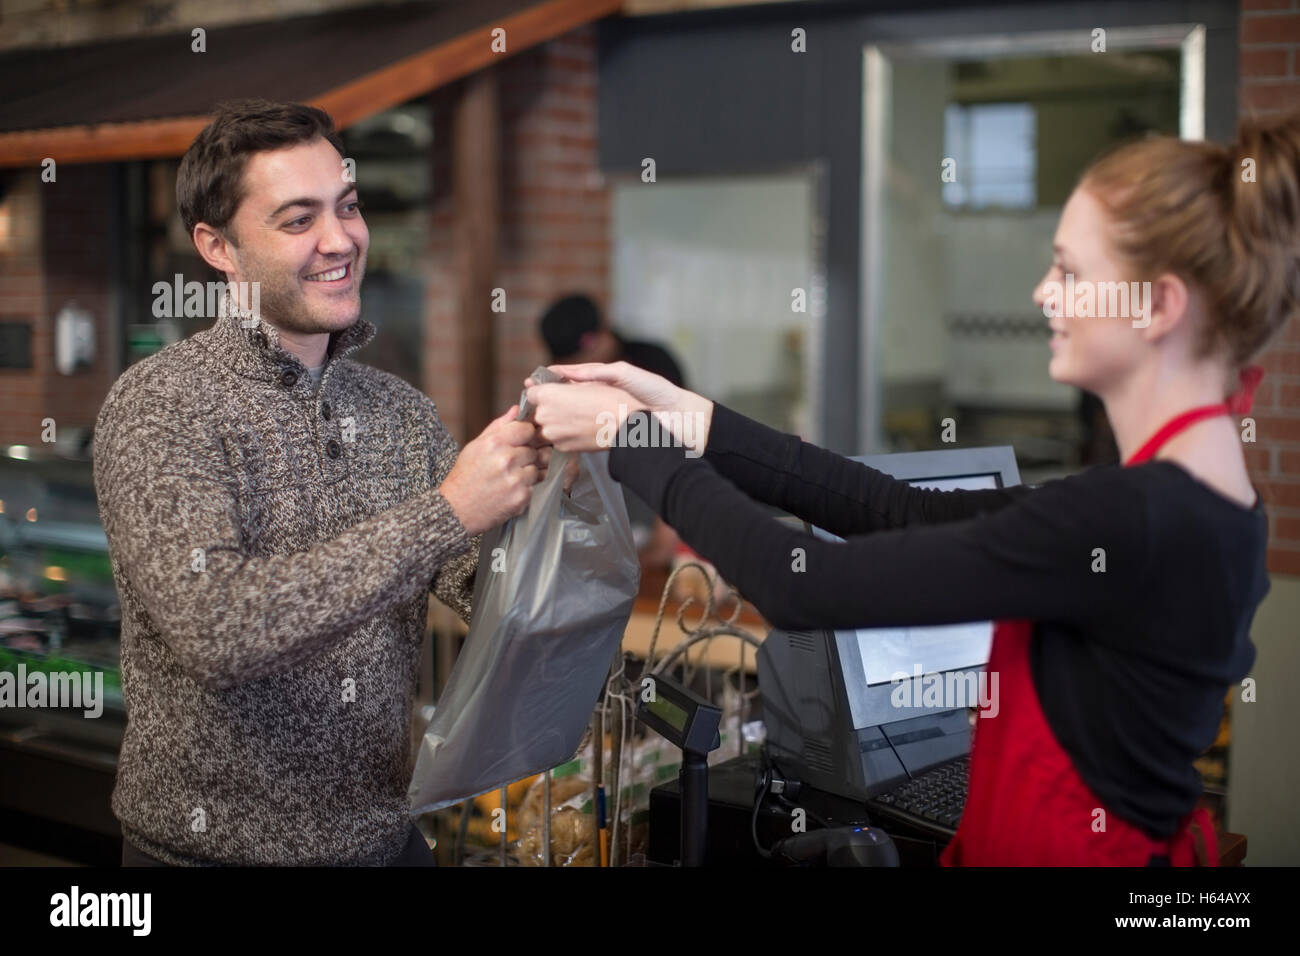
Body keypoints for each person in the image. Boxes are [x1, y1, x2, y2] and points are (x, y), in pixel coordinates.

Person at [524, 112, 1298, 865]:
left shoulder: (1132, 518)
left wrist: (633, 440)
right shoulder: (1193, 501)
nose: (1042, 294)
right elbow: (900, 510)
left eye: (1068, 271)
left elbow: (806, 585)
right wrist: (695, 422)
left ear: (1158, 305)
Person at [93, 99, 557, 866]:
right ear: (219, 247)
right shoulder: (161, 405)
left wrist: (560, 479)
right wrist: (448, 511)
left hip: (385, 841)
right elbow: (221, 629)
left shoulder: (395, 408)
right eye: (297, 219)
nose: (341, 240)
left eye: (347, 206)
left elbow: (485, 588)